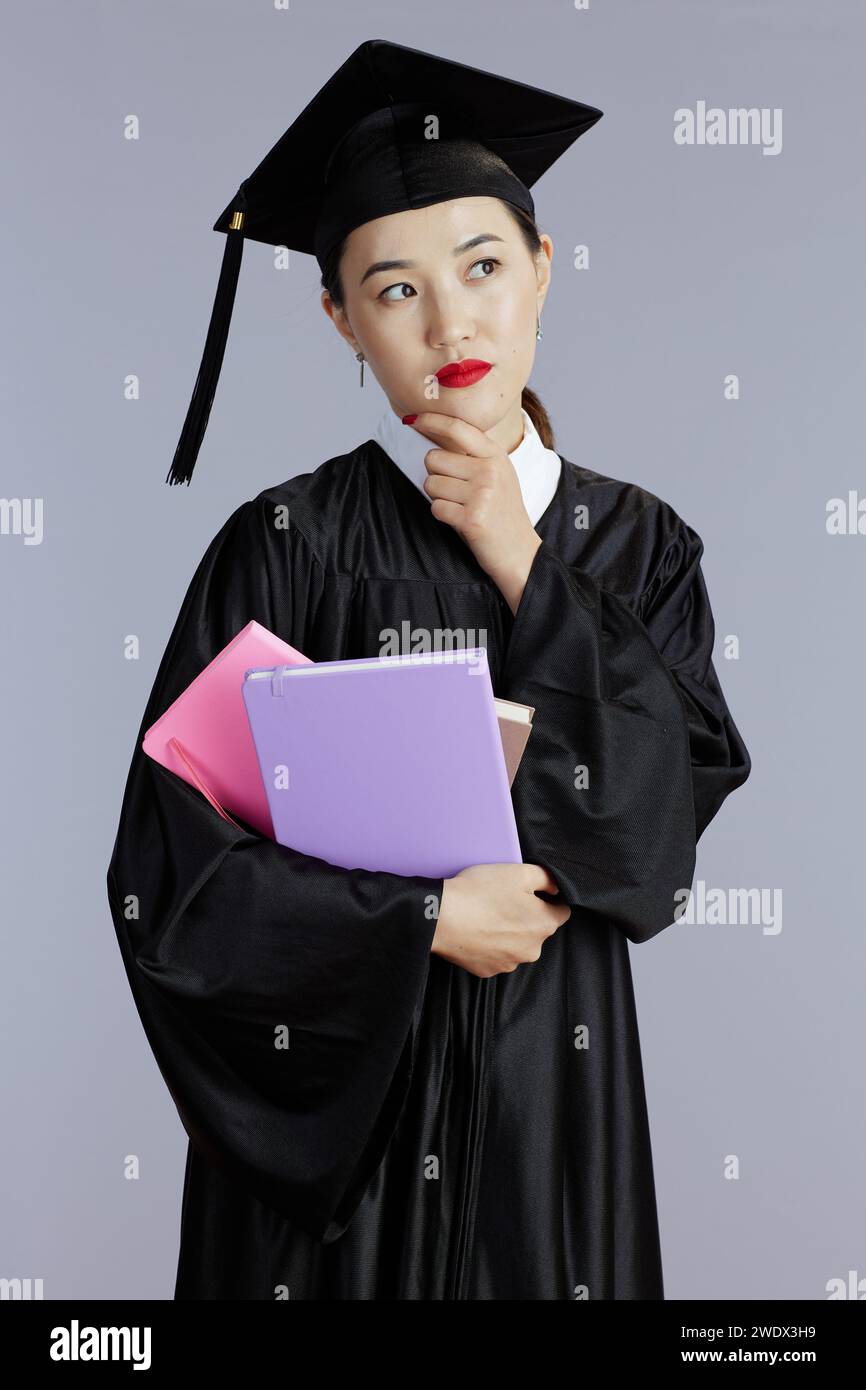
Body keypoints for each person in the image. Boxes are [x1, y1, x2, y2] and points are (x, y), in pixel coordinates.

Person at [106, 39, 751, 1300]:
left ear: (543, 272)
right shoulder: (283, 546)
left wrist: (523, 564)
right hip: (342, 1162)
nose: (450, 322)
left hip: (546, 1120)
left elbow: (657, 837)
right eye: (392, 290)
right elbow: (168, 882)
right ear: (340, 317)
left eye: (482, 266)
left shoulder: (638, 548)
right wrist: (422, 923)